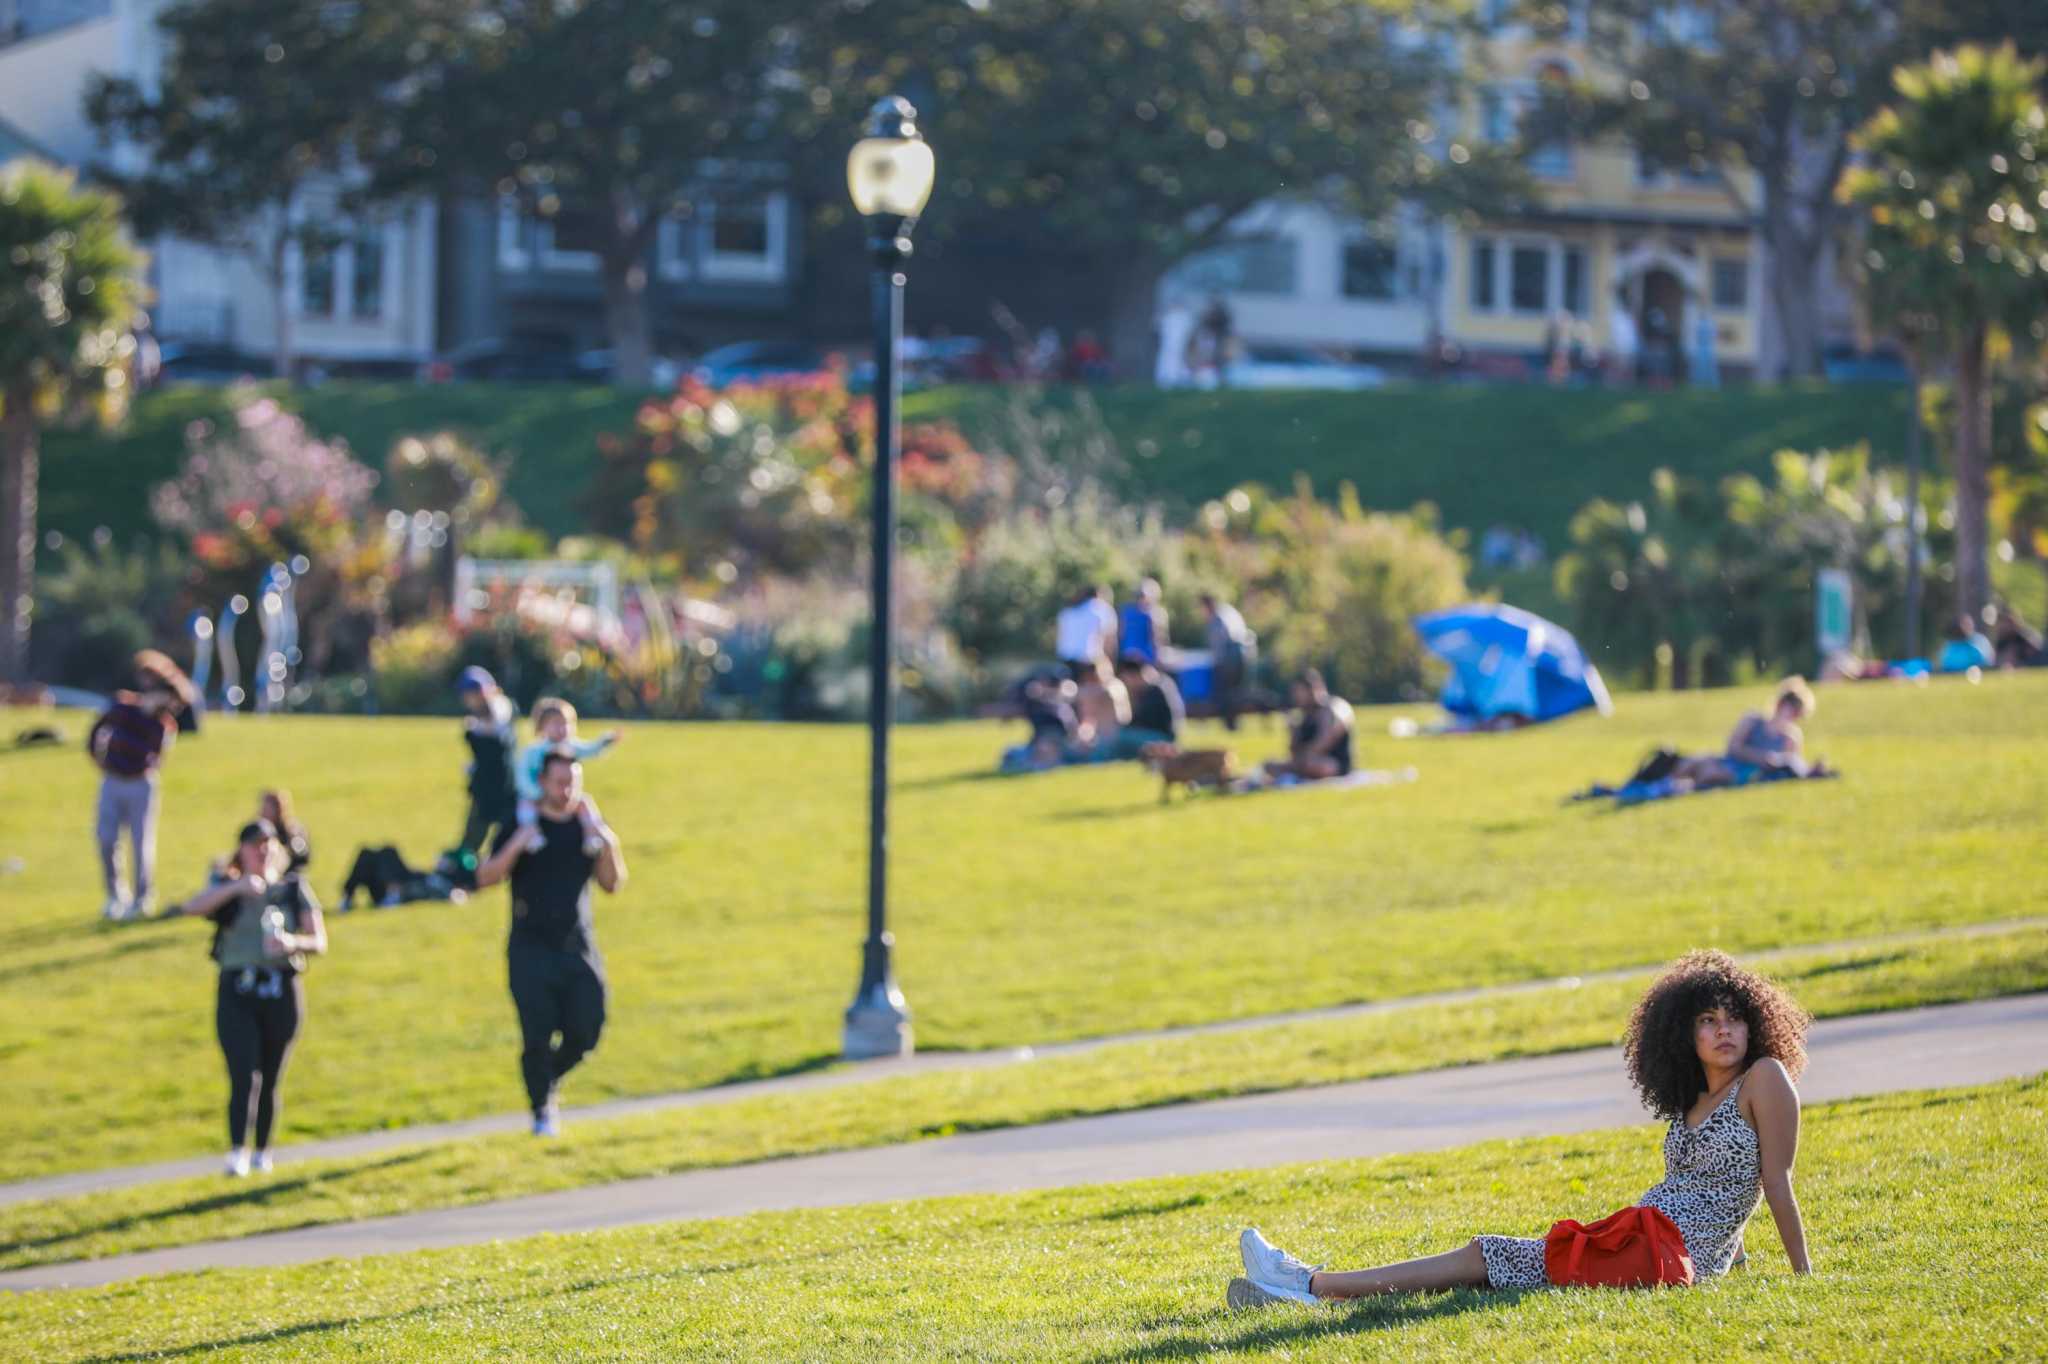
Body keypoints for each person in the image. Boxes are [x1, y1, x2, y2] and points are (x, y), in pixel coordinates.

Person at [1227, 950, 1811, 1308]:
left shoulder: (1764, 1077)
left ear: (1756, 1023)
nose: (1724, 1030)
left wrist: (1802, 1277)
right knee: (1502, 1259)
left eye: (1734, 1017)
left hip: (1663, 1255)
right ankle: (1302, 1284)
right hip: (1647, 1234)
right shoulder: (1695, 1097)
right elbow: (1710, 1188)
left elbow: (1774, 1183)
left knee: (1494, 1254)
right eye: (1707, 1021)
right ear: (1684, 1034)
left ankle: (1310, 1285)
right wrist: (1734, 1258)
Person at [158, 818, 327, 1177]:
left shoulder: (293, 889)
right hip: (238, 991)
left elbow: (319, 940)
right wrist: (236, 888)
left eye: (268, 844)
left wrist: (292, 943)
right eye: (254, 845)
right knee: (242, 1074)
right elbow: (193, 907)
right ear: (242, 851)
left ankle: (262, 1153)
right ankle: (237, 1151)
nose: (262, 850)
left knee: (271, 1075)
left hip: (280, 989)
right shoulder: (228, 887)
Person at [476, 747, 627, 1137]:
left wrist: (606, 842)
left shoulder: (586, 826)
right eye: (559, 782)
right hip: (530, 949)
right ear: (542, 782)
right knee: (537, 1033)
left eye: (573, 781)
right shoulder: (521, 823)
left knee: (587, 1030)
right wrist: (518, 843)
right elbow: (485, 877)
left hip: (578, 947)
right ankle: (542, 1107)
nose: (566, 790)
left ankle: (547, 1080)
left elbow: (612, 884)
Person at [86, 676, 179, 920]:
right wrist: (97, 758)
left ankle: (142, 898)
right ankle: (115, 896)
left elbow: (157, 758)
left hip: (141, 784)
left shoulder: (161, 725)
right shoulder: (122, 709)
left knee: (140, 844)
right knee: (106, 839)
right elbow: (97, 730)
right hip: (112, 780)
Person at [1675, 677, 1828, 791]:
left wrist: (1811, 770)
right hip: (1731, 763)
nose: (1795, 717)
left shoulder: (1792, 737)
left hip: (1752, 775)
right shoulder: (1753, 720)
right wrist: (1761, 757)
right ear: (1781, 704)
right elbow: (1732, 748)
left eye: (1799, 714)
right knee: (1694, 762)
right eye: (1794, 710)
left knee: (1709, 773)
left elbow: (1790, 768)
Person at [516, 698, 621, 852]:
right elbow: (523, 777)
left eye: (567, 723)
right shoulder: (534, 751)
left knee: (585, 803)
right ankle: (531, 836)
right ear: (542, 726)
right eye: (557, 723)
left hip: (567, 796)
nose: (563, 728)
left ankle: (591, 836)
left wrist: (605, 741)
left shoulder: (571, 745)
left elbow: (590, 749)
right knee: (525, 807)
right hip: (536, 796)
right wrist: (536, 793)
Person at [456, 666, 519, 858]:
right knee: (471, 842)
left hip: (505, 786)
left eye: (476, 693)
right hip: (483, 788)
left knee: (512, 835)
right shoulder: (474, 720)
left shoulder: (501, 707)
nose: (473, 698)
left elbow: (498, 719)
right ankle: (464, 873)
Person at [1264, 671, 1354, 781]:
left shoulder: (1332, 707)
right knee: (1269, 765)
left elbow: (1327, 739)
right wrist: (1293, 731)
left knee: (1309, 764)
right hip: (1306, 762)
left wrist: (1301, 759)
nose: (1296, 696)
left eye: (1299, 691)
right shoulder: (1305, 716)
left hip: (1333, 763)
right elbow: (1294, 752)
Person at [1200, 593, 1255, 731]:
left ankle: (1230, 724)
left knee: (1226, 693)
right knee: (1235, 693)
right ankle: (1233, 723)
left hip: (1230, 659)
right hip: (1243, 655)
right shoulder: (1228, 610)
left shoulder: (1218, 618)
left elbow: (1222, 642)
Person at [1113, 652, 1185, 756]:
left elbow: (1142, 723)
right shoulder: (1153, 687)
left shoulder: (1155, 691)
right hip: (1154, 735)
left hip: (1161, 737)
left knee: (1120, 737)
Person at [1054, 585, 1117, 680]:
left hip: (1065, 659)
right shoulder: (1102, 609)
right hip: (1089, 661)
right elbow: (1110, 642)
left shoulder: (1067, 610)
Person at [1073, 657, 1132, 751]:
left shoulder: (1113, 687)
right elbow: (1087, 721)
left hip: (1118, 734)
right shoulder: (1092, 690)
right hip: (1102, 735)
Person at [257, 790, 312, 874]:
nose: (261, 812)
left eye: (266, 808)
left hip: (288, 876)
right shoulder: (259, 830)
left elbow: (301, 857)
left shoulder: (292, 831)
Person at [1117, 578, 1168, 666]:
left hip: (1127, 656)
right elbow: (1158, 638)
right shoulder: (1156, 613)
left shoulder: (1126, 611)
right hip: (1145, 659)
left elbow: (1120, 634)